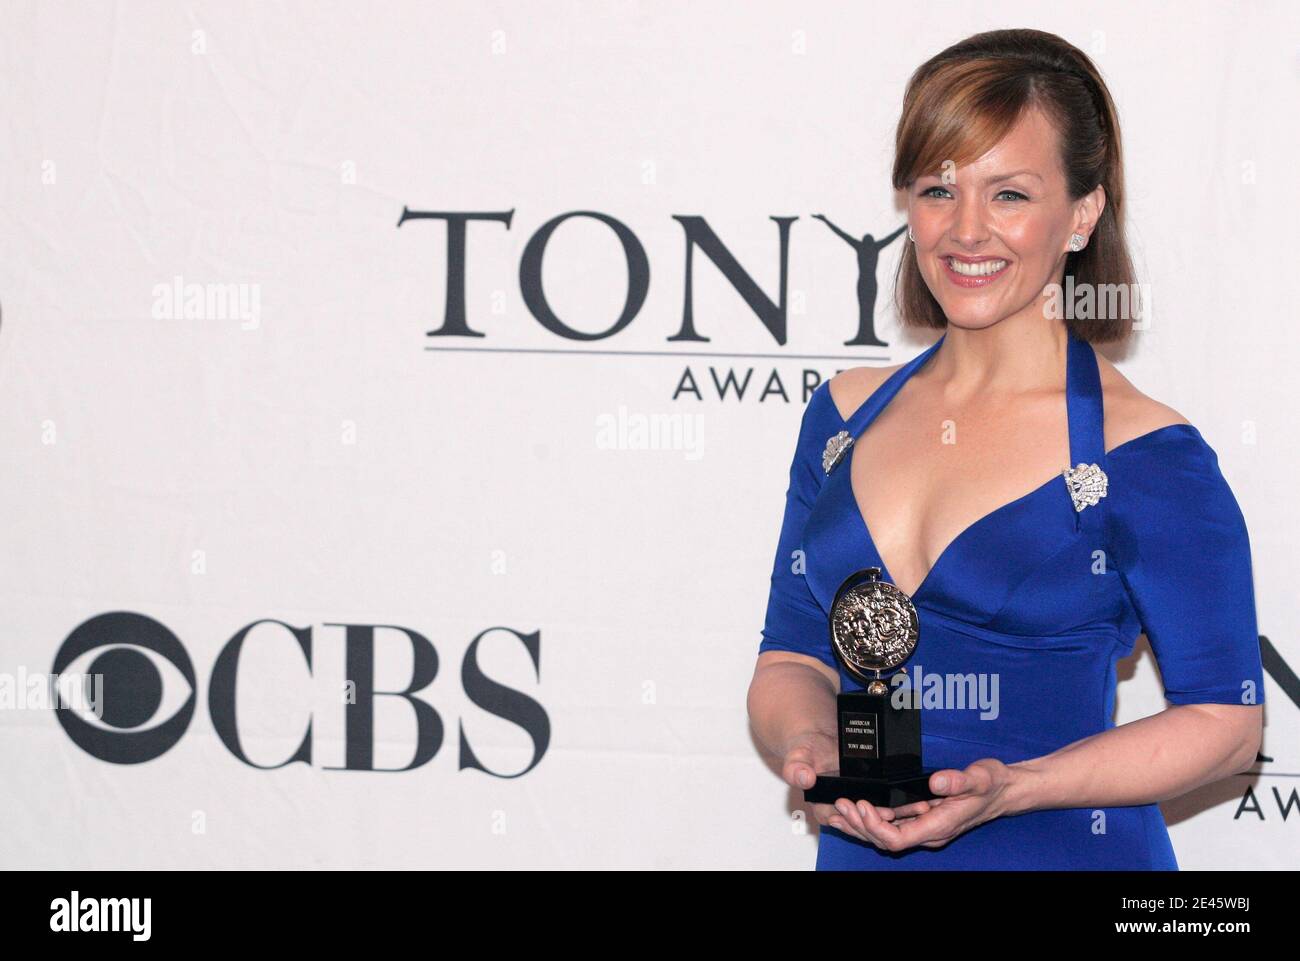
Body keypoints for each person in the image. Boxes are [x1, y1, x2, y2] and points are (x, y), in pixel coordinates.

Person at [746, 28, 1266, 870]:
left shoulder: (1150, 454)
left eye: (1011, 194)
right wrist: (815, 745)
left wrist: (1016, 785)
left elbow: (1227, 723)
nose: (968, 230)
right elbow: (790, 654)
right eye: (938, 189)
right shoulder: (842, 414)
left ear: (1083, 213)